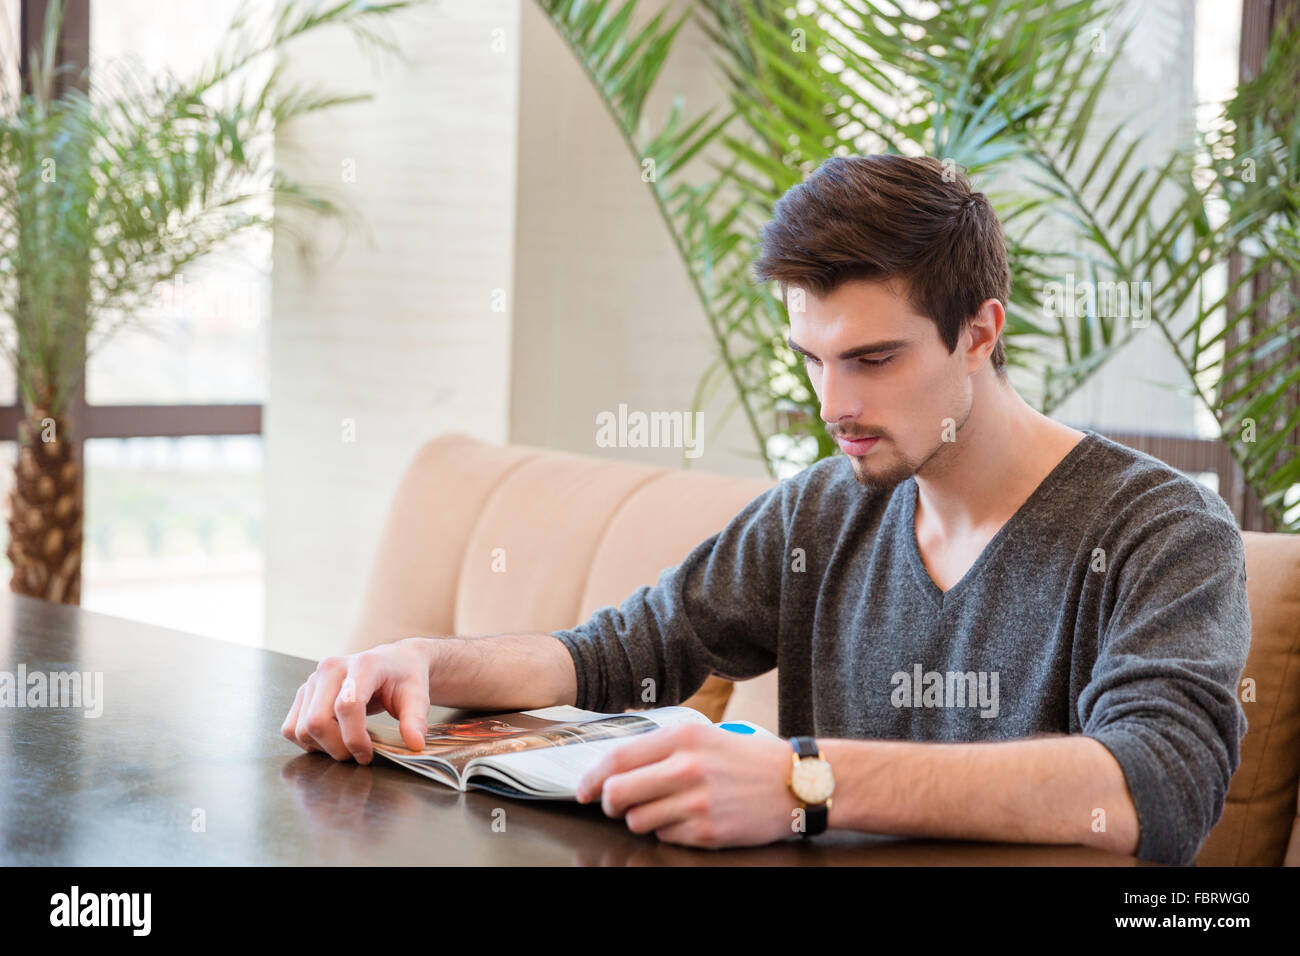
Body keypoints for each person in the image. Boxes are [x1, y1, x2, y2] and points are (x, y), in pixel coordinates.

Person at [281, 154, 1250, 866]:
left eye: (873, 358)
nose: (834, 405)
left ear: (979, 331)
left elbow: (1157, 781)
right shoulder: (826, 507)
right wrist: (422, 660)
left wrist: (800, 781)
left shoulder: (1158, 530)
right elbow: (625, 650)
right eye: (812, 360)